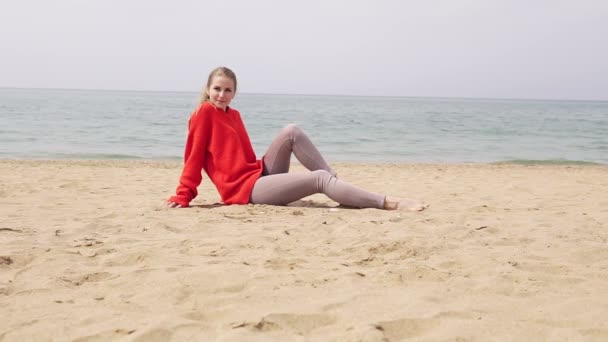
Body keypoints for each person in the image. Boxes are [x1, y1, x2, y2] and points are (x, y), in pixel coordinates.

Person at [165, 66, 428, 211]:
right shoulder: (203, 114)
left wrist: (261, 170)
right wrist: (183, 195)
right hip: (242, 190)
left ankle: (338, 186)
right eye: (217, 89)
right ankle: (388, 202)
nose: (222, 94)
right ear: (208, 89)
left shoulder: (233, 114)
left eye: (228, 90)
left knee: (291, 131)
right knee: (319, 180)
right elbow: (194, 157)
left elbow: (244, 156)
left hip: (255, 175)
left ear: (235, 92)